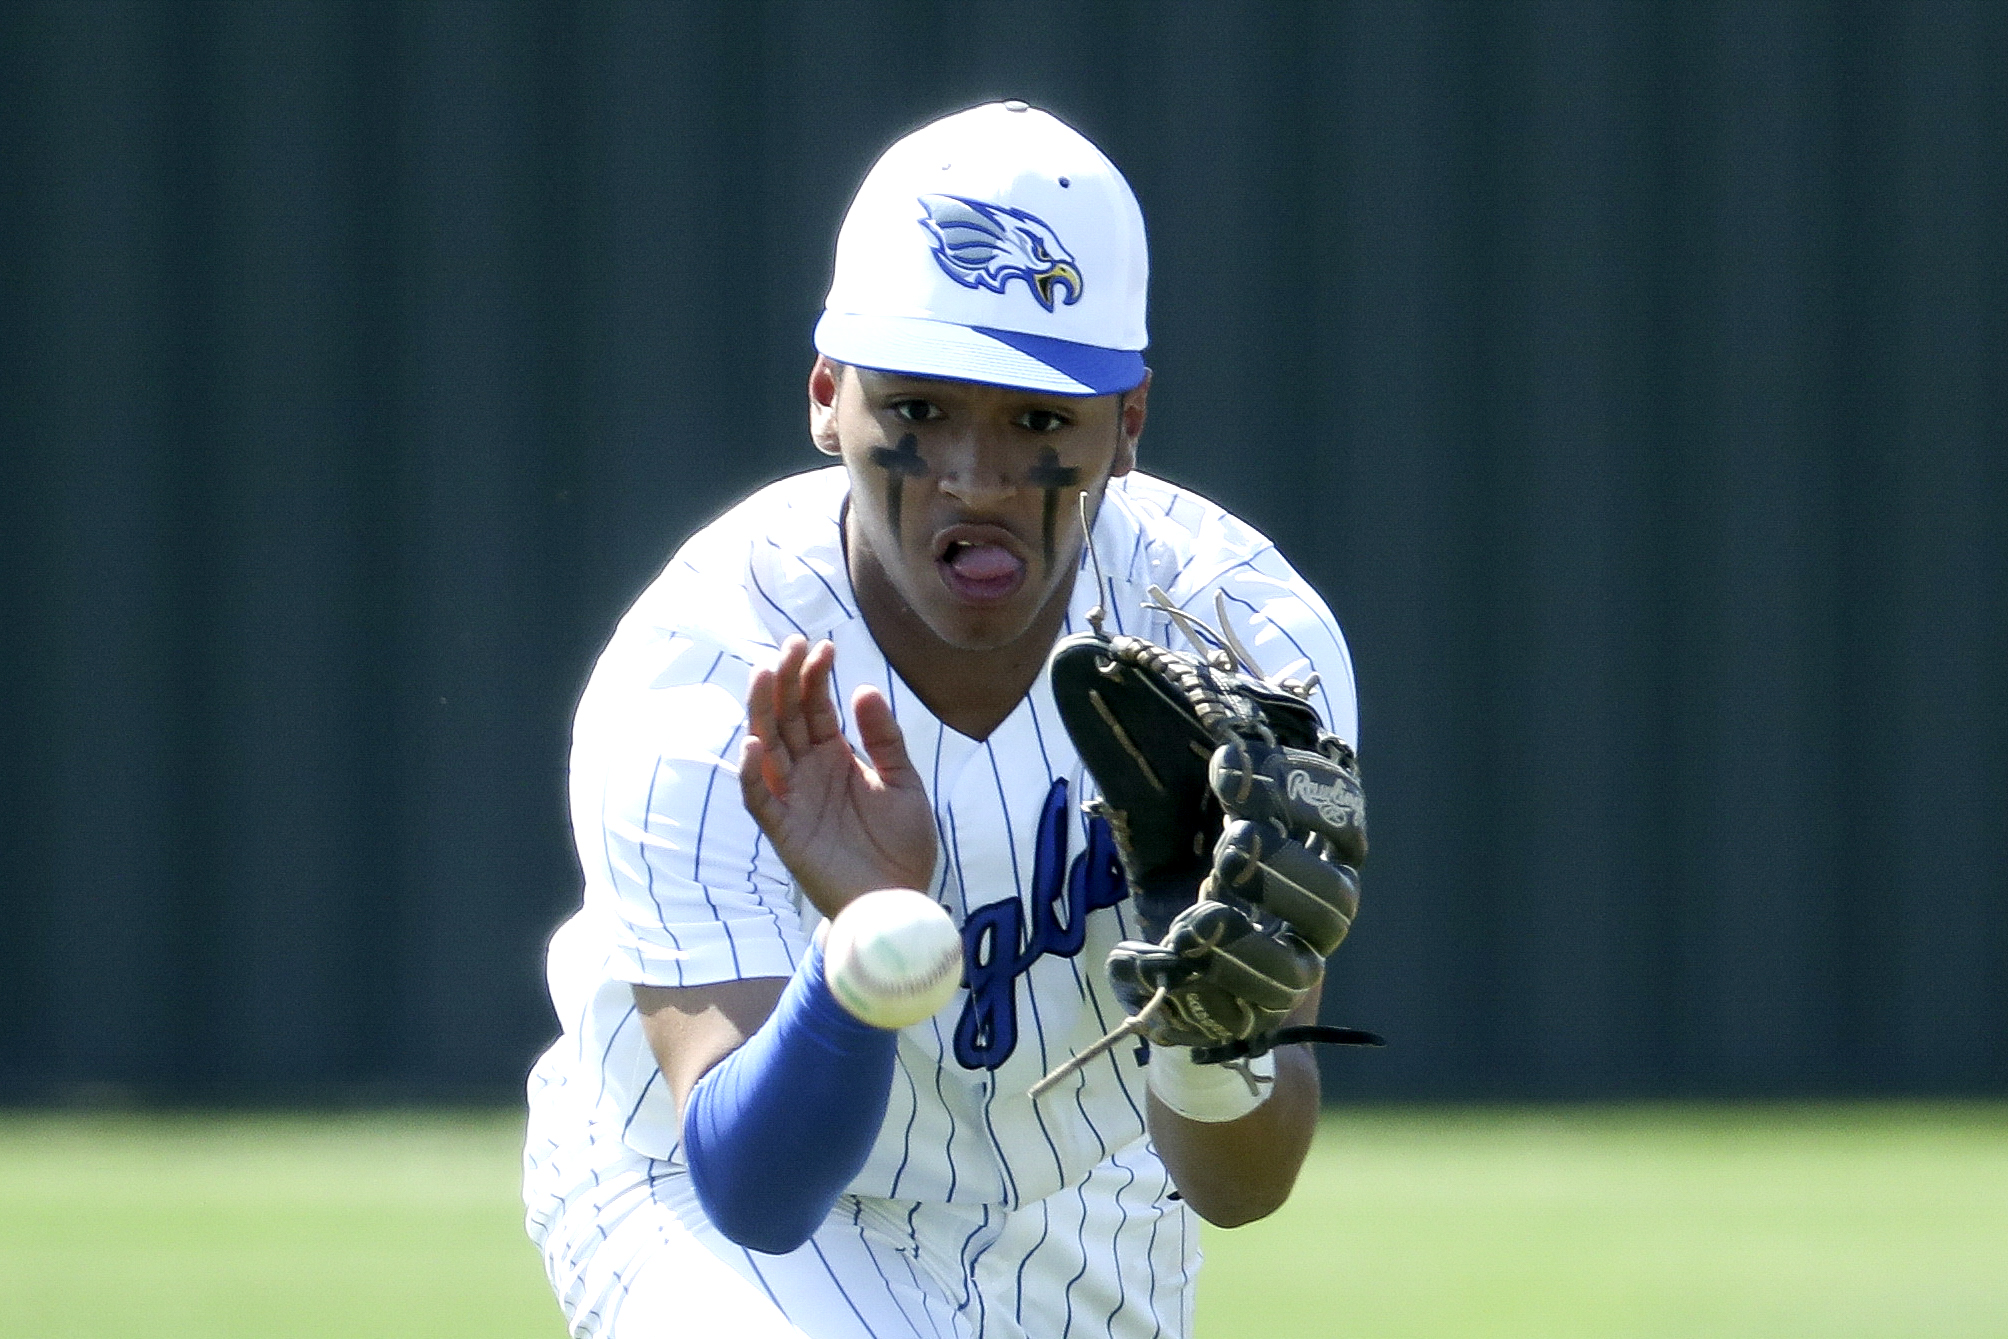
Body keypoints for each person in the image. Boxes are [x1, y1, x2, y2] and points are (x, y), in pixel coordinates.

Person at [523, 100, 1360, 1338]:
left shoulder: (1241, 641)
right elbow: (754, 1189)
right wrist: (863, 950)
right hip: (692, 1200)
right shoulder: (709, 674)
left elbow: (1240, 1185)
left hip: (1089, 1198)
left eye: (1037, 419)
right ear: (827, 399)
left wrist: (1208, 1028)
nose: (973, 474)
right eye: (916, 409)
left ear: (1126, 423)